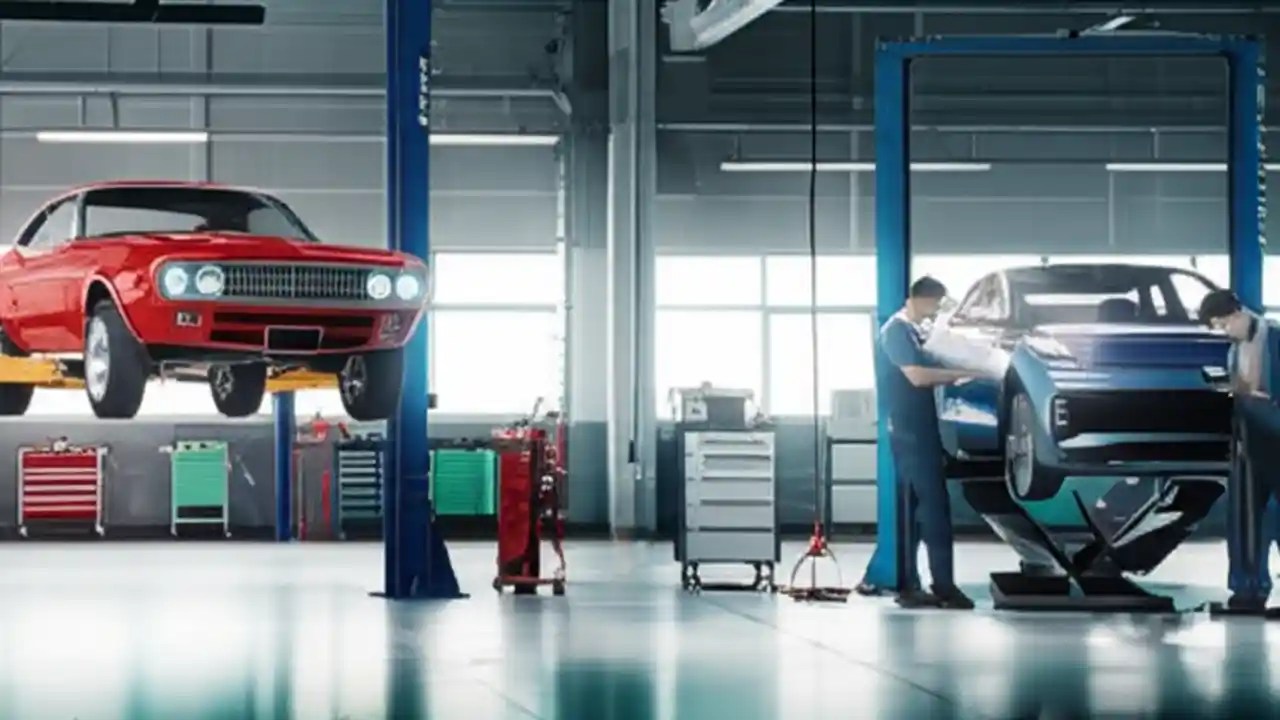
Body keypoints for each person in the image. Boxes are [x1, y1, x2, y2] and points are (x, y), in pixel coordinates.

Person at [871, 276, 977, 610]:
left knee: (918, 509)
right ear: (919, 299)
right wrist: (963, 373)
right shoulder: (896, 331)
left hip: (920, 428)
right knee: (934, 507)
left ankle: (909, 584)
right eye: (935, 305)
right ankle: (943, 586)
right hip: (910, 431)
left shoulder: (914, 331)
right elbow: (916, 375)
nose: (934, 313)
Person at [1198, 288, 1280, 611]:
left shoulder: (1273, 338)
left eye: (1222, 324)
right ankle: (1248, 589)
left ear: (1236, 313)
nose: (1223, 332)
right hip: (1250, 440)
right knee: (1246, 516)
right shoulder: (1234, 351)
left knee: (1274, 514)